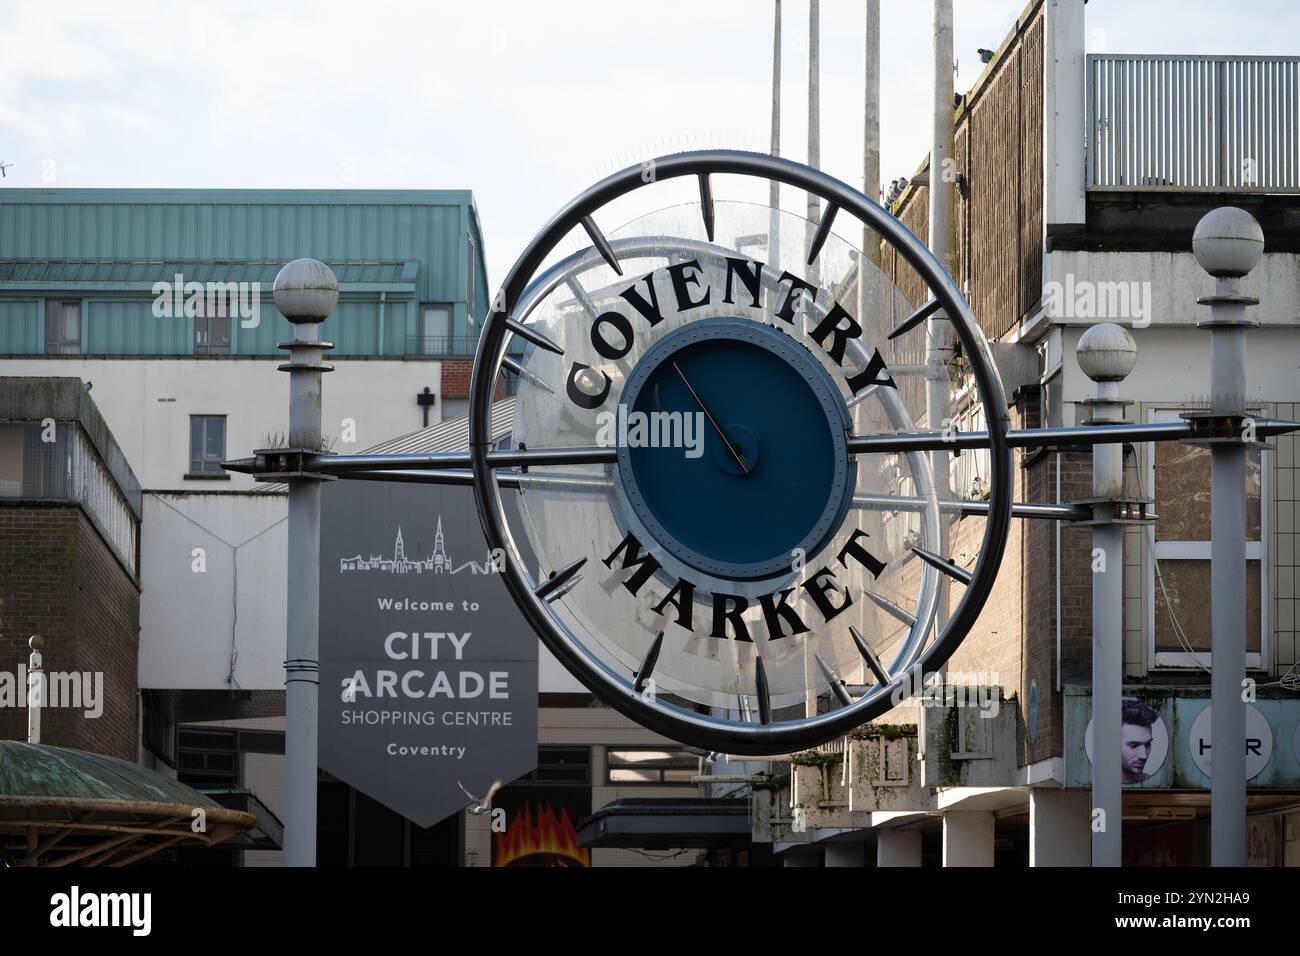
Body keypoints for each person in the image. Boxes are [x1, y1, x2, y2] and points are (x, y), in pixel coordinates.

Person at [1121, 699, 1159, 783]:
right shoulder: (1097, 783)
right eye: (1134, 745)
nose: (1143, 756)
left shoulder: (1154, 783)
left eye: (1147, 744)